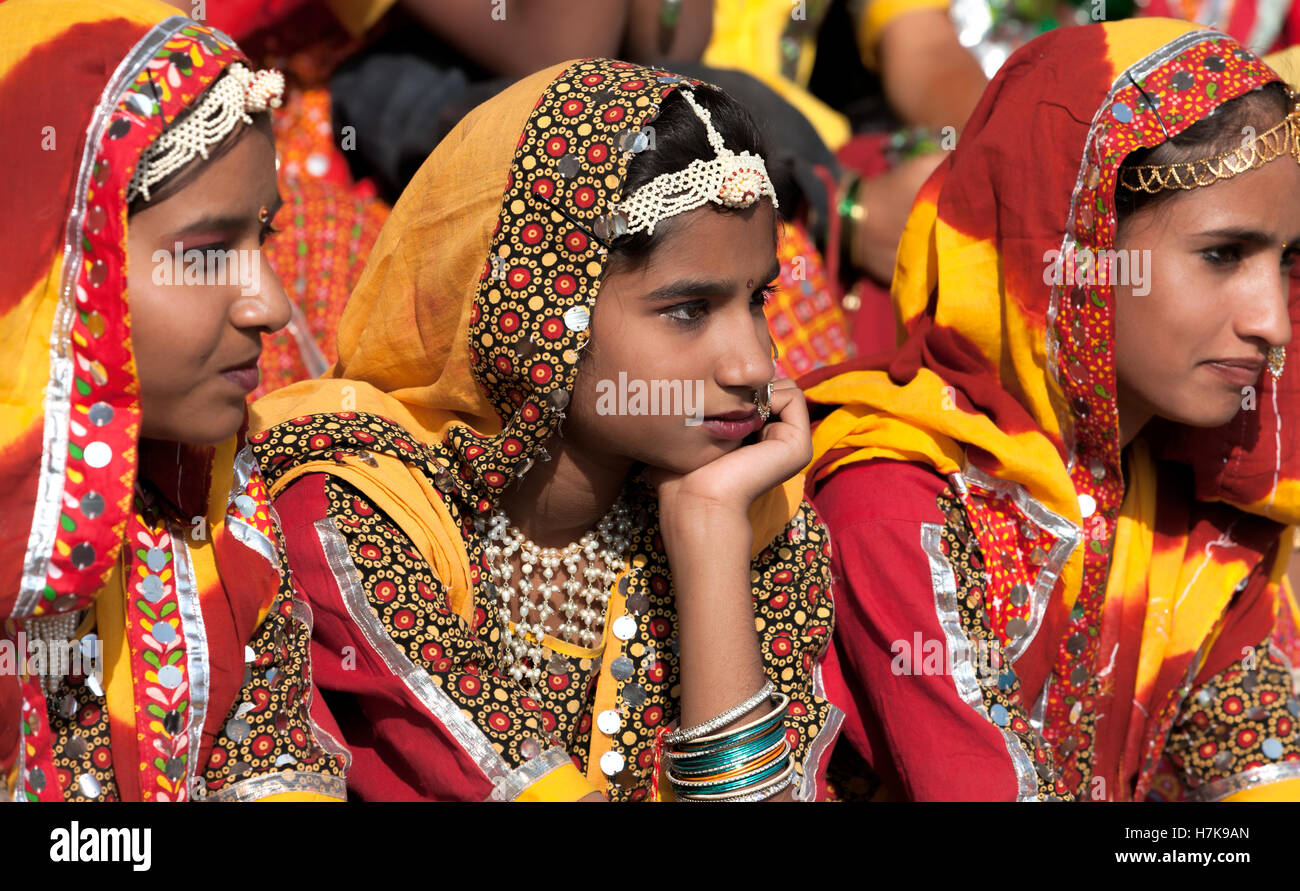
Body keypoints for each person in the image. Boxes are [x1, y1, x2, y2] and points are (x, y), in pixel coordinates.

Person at [250, 59, 842, 801]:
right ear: (541, 301)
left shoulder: (760, 525)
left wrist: (710, 533)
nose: (755, 361)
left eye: (758, 299)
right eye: (689, 309)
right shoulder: (359, 504)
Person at [802, 18, 1300, 801]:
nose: (1271, 318)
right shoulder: (894, 499)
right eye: (1222, 255)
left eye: (1288, 260)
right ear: (1078, 251)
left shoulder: (1203, 509)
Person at [0, 0, 348, 801]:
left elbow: (272, 757)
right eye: (206, 254)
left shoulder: (210, 499)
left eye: (264, 237)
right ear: (58, 261)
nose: (267, 302)